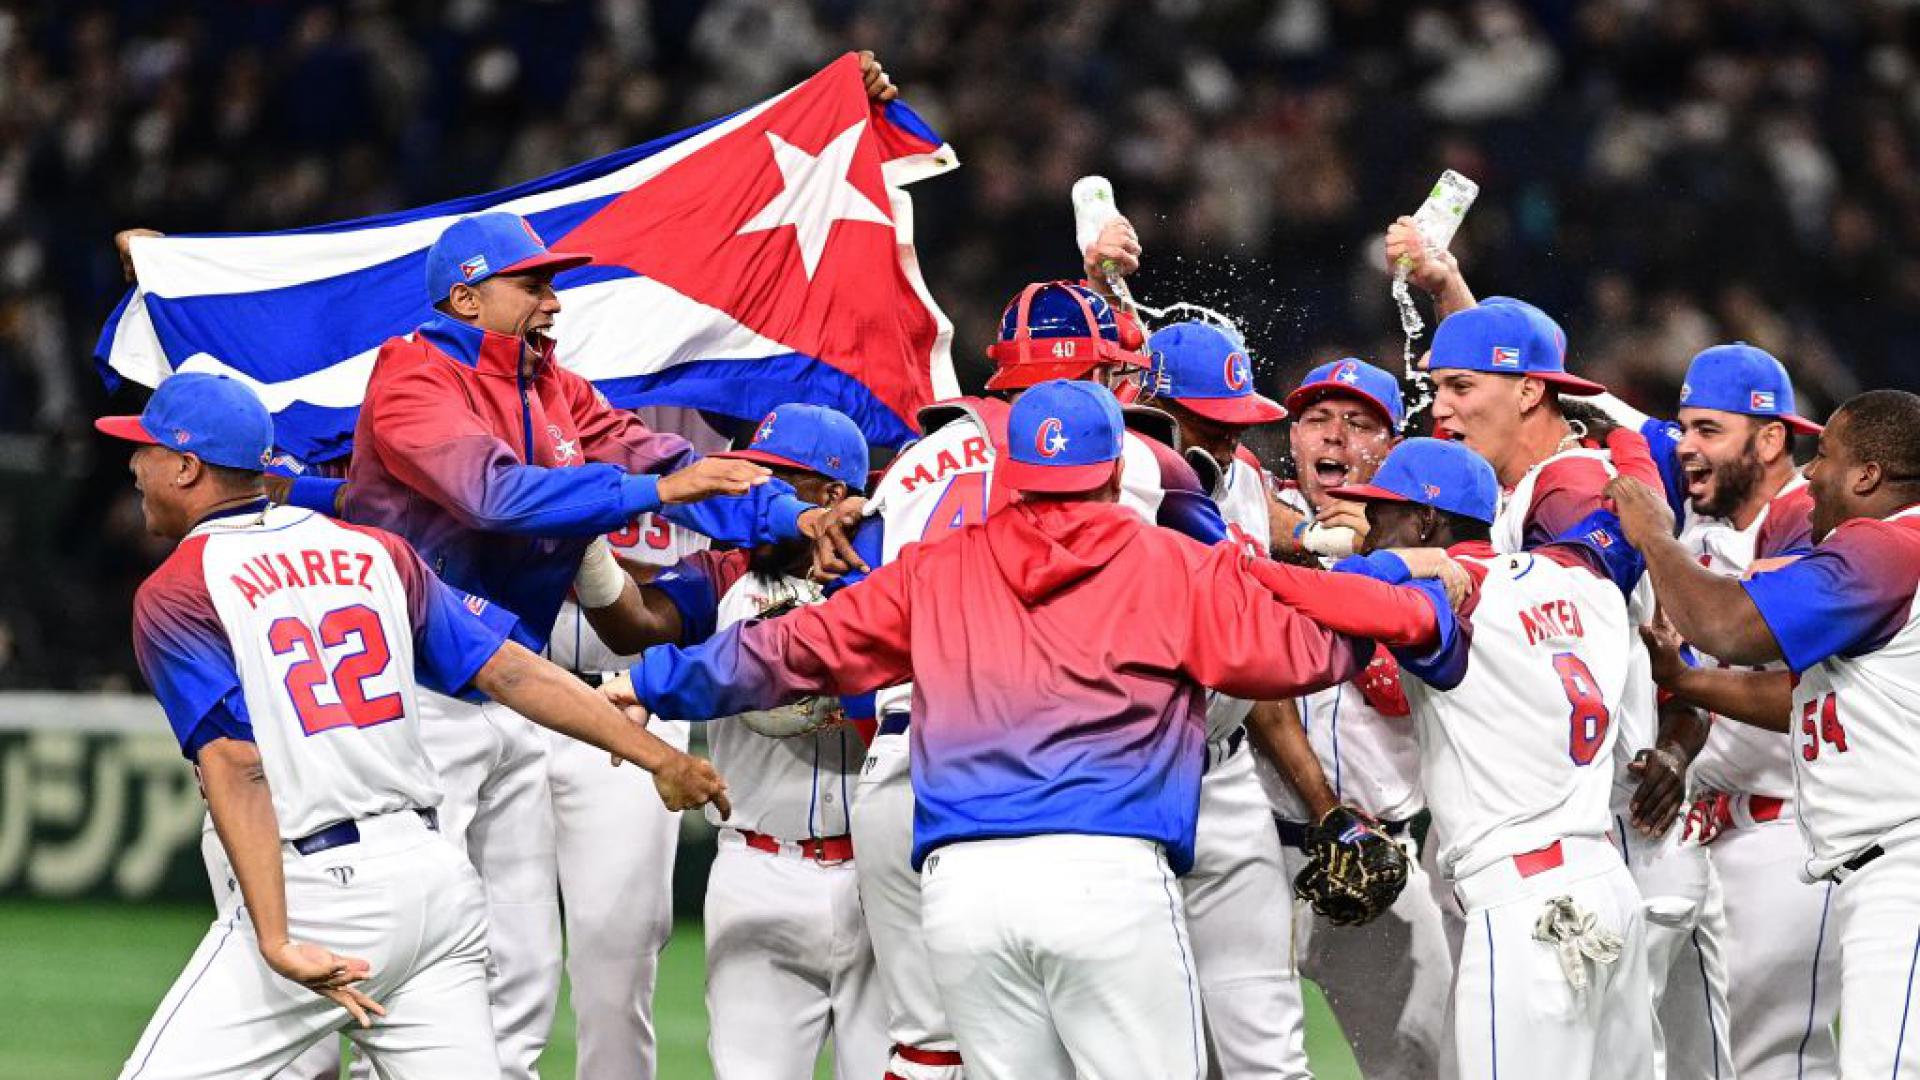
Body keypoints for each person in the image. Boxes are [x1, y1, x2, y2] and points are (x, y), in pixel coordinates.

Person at [603, 380, 1429, 1080]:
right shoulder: (1173, 566)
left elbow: (791, 650)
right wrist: (1393, 584)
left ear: (1013, 472)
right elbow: (1306, 654)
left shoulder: (939, 566)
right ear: (1115, 470)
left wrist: (649, 682)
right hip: (1108, 879)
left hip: (966, 894)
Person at [333, 208, 863, 1077]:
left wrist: (789, 515)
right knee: (402, 950)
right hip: (412, 693)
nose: (553, 300)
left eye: (552, 283)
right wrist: (650, 493)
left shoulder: (554, 388)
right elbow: (493, 495)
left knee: (524, 967)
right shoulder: (413, 377)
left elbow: (660, 459)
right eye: (533, 284)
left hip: (510, 690)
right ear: (467, 296)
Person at [101, 374, 727, 1080]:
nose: (133, 465)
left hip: (318, 886)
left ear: (187, 467)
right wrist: (655, 756)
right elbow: (512, 673)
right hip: (432, 885)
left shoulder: (178, 590)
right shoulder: (375, 552)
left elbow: (235, 763)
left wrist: (275, 938)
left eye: (146, 449)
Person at [832, 265, 1226, 1080]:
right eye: (1112, 372)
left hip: (905, 767)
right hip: (1054, 778)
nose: (1125, 388)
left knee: (925, 1047)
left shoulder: (912, 462)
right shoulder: (1145, 461)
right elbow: (1222, 587)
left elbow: (858, 633)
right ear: (1088, 375)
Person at [1409, 267, 1730, 1077]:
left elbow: (1600, 578)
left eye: (1458, 386)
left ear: (1528, 394)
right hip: (1592, 832)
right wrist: (1450, 291)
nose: (1440, 407)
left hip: (1607, 827)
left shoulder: (1570, 487)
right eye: (1437, 385)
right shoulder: (1545, 481)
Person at [1260, 437, 1654, 1080]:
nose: (1368, 529)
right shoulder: (1581, 569)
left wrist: (1401, 563)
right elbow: (1637, 509)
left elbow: (1337, 596)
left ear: (1424, 522)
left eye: (1382, 514)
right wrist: (1631, 440)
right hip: (1607, 886)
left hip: (1527, 910)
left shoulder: (1452, 605)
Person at [1605, 389, 1920, 1078]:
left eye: (1828, 457)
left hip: (1905, 861)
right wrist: (1686, 682)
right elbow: (1805, 698)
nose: (1813, 475)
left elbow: (1728, 628)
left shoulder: (1892, 545)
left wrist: (1654, 534)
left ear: (1868, 475)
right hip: (1878, 860)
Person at [605, 404, 887, 1079]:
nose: (758, 496)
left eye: (781, 481)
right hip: (759, 864)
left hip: (878, 875)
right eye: (755, 477)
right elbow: (634, 624)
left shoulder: (888, 583)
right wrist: (588, 548)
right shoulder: (723, 573)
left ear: (835, 497)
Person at [1593, 342, 1836, 1079]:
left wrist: (1689, 695)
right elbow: (1529, 394)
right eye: (1684, 428)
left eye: (1708, 430)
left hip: (1786, 835)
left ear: (1770, 439)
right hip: (1704, 833)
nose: (1687, 447)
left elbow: (1793, 687)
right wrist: (1449, 290)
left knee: (1776, 1064)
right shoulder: (1704, 512)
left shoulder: (1807, 518)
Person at [1243, 358, 1457, 1080]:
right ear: (1292, 438)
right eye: (1315, 420)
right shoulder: (1252, 511)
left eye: (1358, 424)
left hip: (1383, 857)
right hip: (1250, 852)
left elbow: (1400, 693)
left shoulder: (1429, 545)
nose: (1333, 436)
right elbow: (1204, 469)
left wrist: (1372, 555)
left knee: (1426, 1066)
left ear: (1390, 449)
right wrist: (1311, 537)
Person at [1136, 320, 1319, 1077]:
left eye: (1236, 419)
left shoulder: (1241, 481)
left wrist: (1324, 803)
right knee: (1141, 1048)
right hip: (1128, 778)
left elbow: (1255, 670)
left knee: (1269, 1046)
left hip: (1225, 770)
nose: (1226, 435)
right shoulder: (1112, 485)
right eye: (1208, 419)